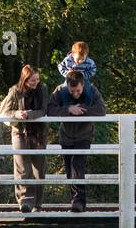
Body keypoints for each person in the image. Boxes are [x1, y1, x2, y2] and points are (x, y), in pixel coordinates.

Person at [45, 70, 106, 213]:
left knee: (77, 165)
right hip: (66, 136)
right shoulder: (60, 91)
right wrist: (68, 109)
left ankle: (79, 202)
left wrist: (82, 110)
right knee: (69, 169)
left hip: (84, 135)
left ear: (83, 85)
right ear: (67, 86)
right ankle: (75, 200)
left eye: (78, 90)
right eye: (72, 91)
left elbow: (101, 110)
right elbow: (50, 110)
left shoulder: (92, 91)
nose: (75, 94)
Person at [0, 65, 49, 213]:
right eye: (32, 80)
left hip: (39, 133)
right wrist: (18, 114)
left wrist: (30, 115)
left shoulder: (43, 90)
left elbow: (44, 110)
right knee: (22, 168)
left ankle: (38, 203)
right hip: (20, 132)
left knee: (39, 169)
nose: (36, 83)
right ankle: (25, 202)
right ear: (25, 79)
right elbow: (6, 112)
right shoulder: (15, 91)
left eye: (37, 79)